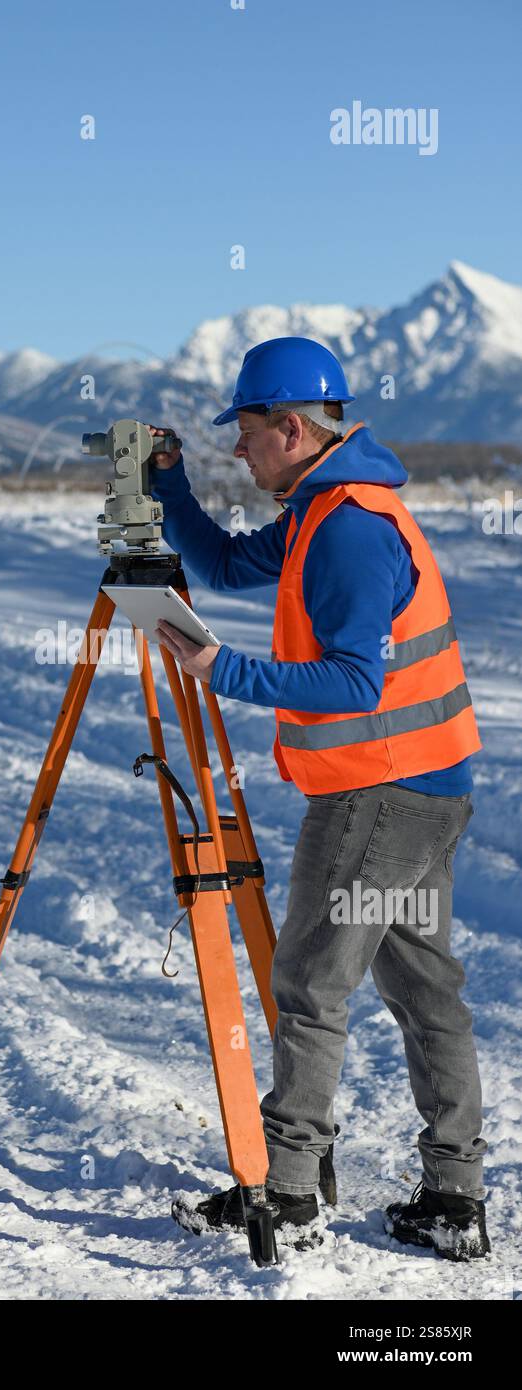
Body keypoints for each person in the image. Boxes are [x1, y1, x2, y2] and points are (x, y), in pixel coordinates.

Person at [149, 336, 490, 1261]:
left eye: (248, 430)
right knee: (424, 988)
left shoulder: (346, 529)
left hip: (382, 795)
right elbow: (219, 567)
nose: (240, 448)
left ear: (292, 428)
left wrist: (225, 670)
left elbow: (352, 683)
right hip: (425, 787)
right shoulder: (321, 511)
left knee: (307, 984)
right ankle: (455, 1197)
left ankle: (290, 1192)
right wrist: (168, 489)